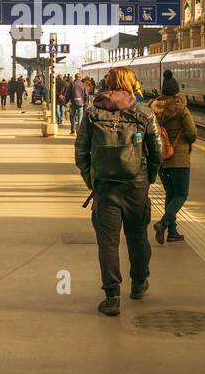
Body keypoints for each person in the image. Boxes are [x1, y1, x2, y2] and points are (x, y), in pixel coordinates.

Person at [75, 67, 161, 317]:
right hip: (136, 184)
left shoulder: (92, 113)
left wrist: (91, 180)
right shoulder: (144, 113)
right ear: (131, 85)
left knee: (108, 242)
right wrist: (149, 177)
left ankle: (112, 296)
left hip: (105, 186)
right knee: (138, 236)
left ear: (107, 83)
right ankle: (138, 283)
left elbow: (80, 151)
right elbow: (156, 150)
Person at [149, 70, 196, 245]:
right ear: (176, 91)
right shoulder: (181, 110)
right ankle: (164, 223)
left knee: (170, 193)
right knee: (181, 194)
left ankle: (173, 231)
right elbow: (192, 132)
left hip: (161, 158)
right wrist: (187, 141)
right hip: (179, 158)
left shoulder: (154, 109)